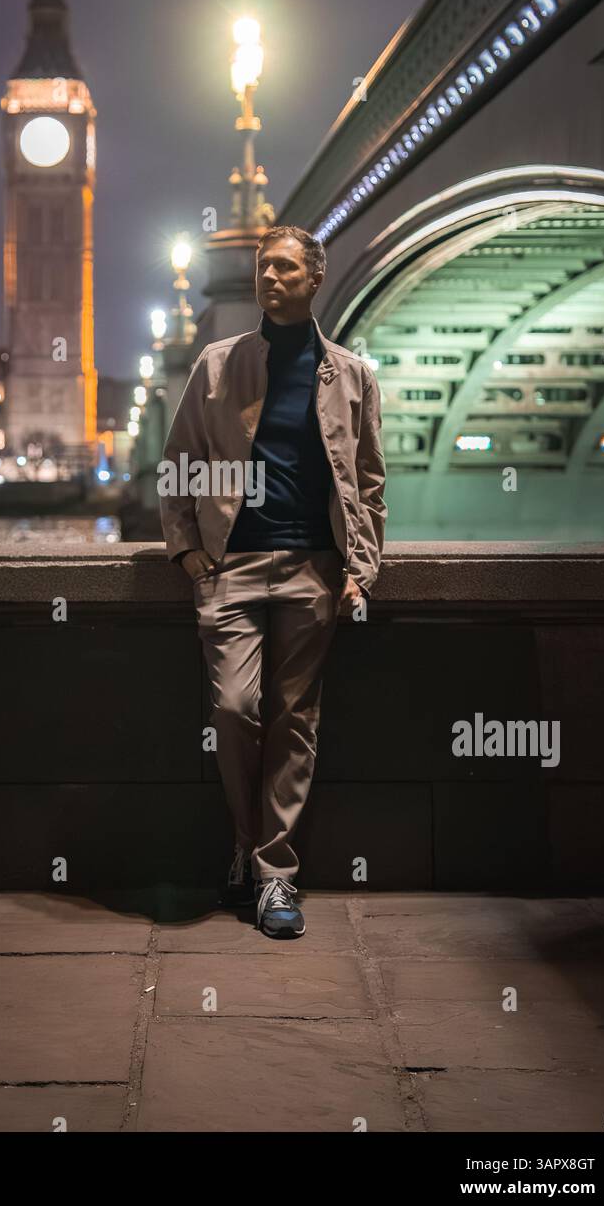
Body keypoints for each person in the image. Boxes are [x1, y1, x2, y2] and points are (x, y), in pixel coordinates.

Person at [159, 225, 387, 938]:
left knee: (295, 721)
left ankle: (272, 875)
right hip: (231, 568)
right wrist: (189, 556)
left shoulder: (352, 376)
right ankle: (247, 850)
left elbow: (371, 484)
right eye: (263, 268)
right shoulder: (220, 364)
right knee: (233, 710)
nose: (271, 278)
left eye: (286, 268)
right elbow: (178, 466)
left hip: (314, 570)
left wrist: (362, 567)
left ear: (316, 279)